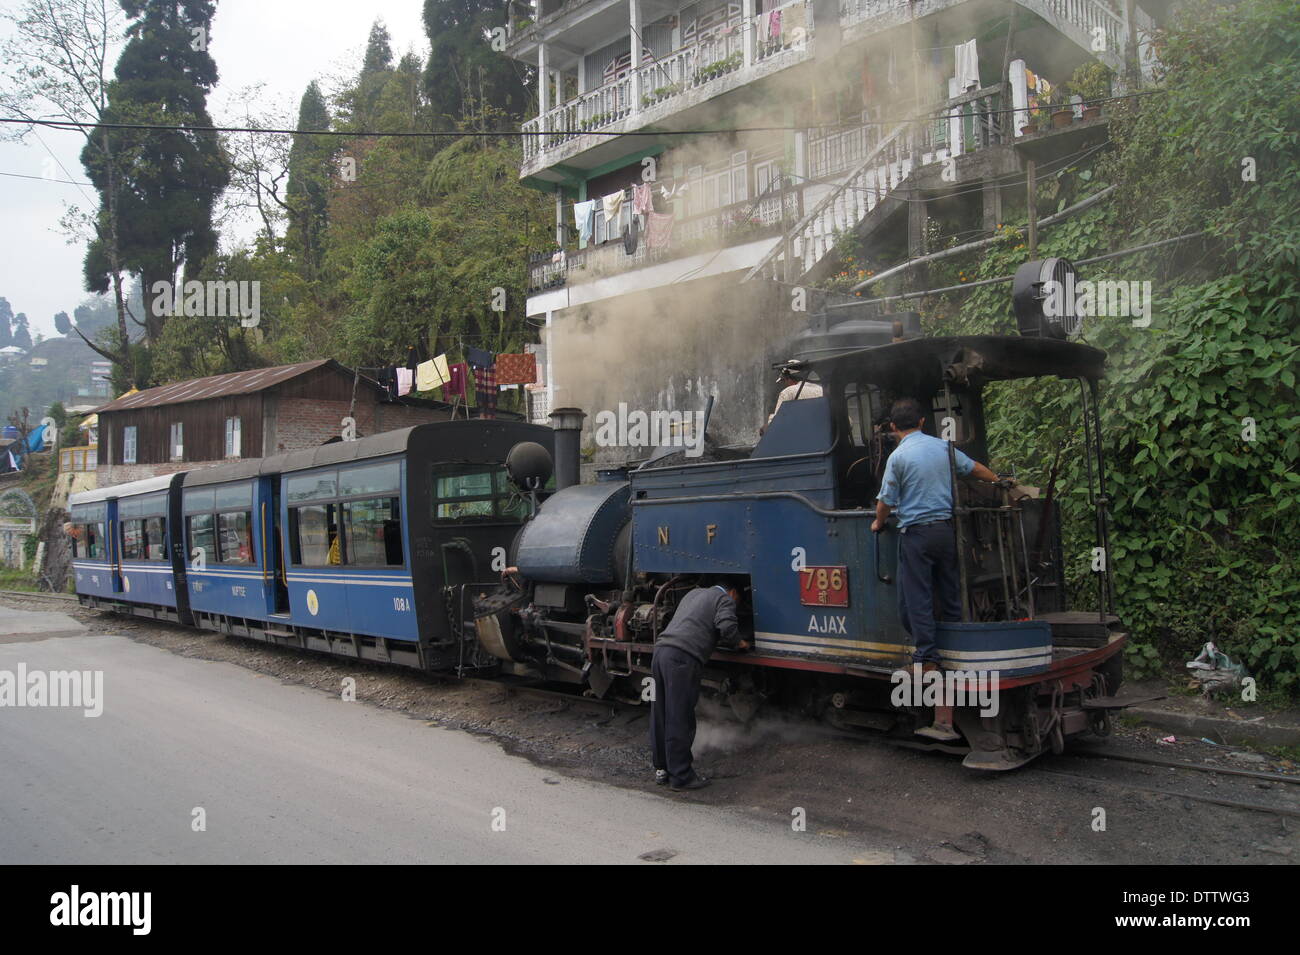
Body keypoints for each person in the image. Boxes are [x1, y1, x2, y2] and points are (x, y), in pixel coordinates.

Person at [870, 397, 1004, 739]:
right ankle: (958, 642)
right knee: (949, 589)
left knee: (915, 597)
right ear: (923, 423)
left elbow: (885, 500)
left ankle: (927, 657)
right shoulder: (944, 449)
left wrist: (877, 523)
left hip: (916, 533)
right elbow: (974, 468)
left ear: (893, 428)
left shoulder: (898, 457)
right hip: (945, 530)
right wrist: (1002, 482)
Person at [650, 579, 749, 791]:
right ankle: (681, 777)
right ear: (733, 593)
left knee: (661, 714)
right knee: (680, 717)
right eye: (738, 601)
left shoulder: (692, 595)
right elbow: (727, 626)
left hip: (661, 652)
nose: (736, 605)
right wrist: (740, 643)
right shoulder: (724, 599)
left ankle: (663, 770)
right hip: (682, 658)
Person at [766, 360, 824, 426]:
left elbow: (776, 422)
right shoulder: (820, 389)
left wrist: (769, 422)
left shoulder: (788, 392)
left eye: (784, 380)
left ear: (789, 379)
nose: (785, 384)